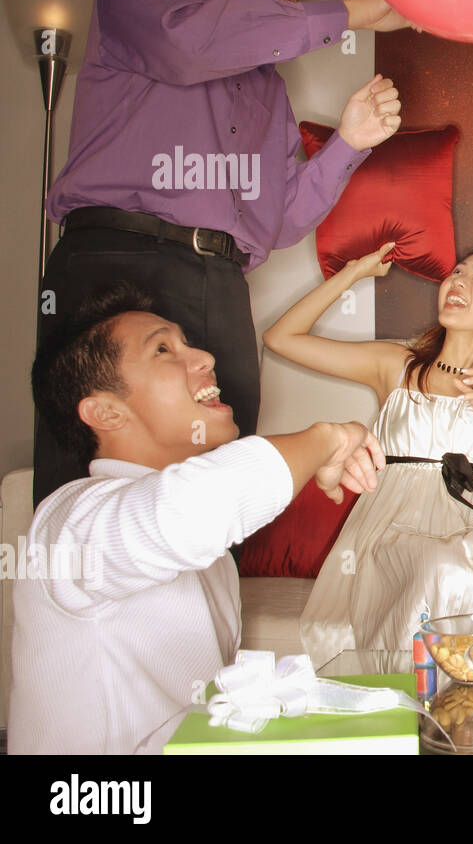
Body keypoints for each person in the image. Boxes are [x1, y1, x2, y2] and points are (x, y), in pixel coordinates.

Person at [35, 0, 413, 504]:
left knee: (222, 474)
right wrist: (366, 9)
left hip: (219, 284)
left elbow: (279, 219)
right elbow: (188, 46)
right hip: (113, 255)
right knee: (83, 467)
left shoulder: (270, 90)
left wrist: (350, 140)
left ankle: (205, 605)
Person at [11, 282, 384, 754]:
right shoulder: (68, 520)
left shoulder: (211, 559)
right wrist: (326, 438)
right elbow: (188, 509)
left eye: (188, 342)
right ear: (105, 411)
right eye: (164, 349)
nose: (204, 356)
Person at [263, 243, 473, 665]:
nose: (458, 281)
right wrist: (352, 273)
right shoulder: (396, 364)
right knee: (446, 573)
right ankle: (433, 704)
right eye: (457, 272)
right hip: (395, 529)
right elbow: (280, 338)